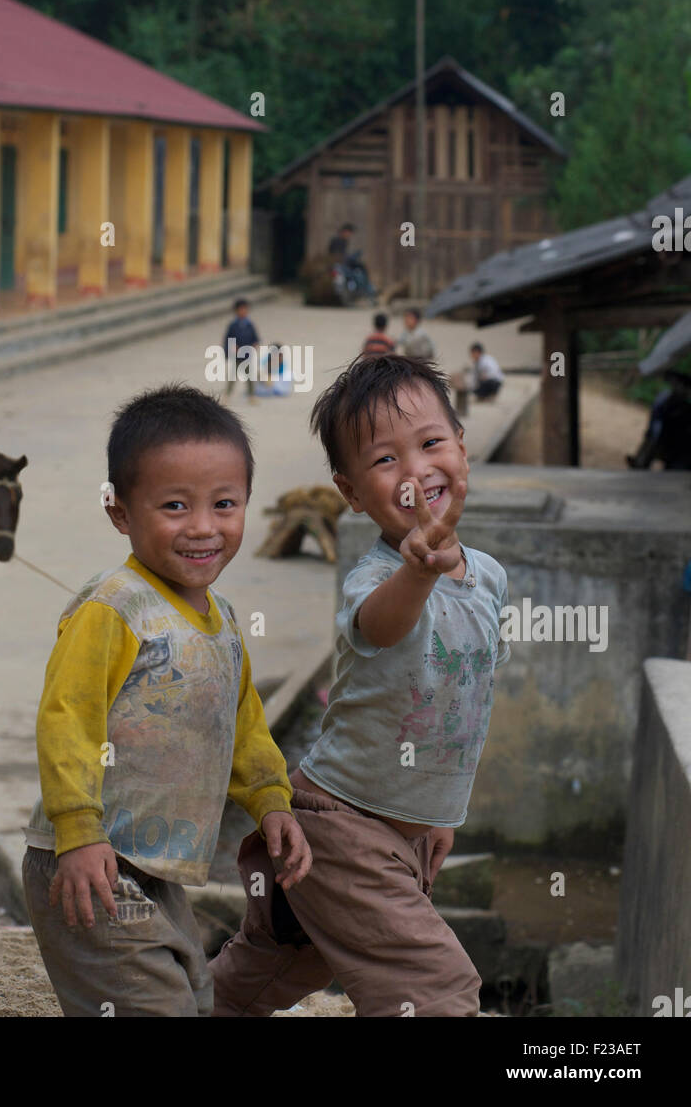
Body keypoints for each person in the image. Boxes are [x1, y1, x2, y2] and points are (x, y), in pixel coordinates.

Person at [210, 353, 510, 1017]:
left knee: (276, 966)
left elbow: (466, 699)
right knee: (436, 990)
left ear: (461, 448)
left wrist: (438, 820)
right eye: (384, 461)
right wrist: (421, 569)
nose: (413, 472)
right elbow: (382, 627)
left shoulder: (488, 576)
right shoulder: (377, 580)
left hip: (400, 833)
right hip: (340, 826)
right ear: (350, 493)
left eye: (431, 443)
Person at [22, 384, 311, 1017]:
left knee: (192, 998)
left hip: (160, 867)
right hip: (90, 860)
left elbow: (242, 724)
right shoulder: (114, 607)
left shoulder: (224, 619)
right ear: (121, 513)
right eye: (175, 506)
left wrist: (270, 801)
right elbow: (67, 718)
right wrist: (77, 830)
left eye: (224, 504)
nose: (204, 527)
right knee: (147, 1005)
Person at [626, 369, 691, 470]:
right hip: (664, 438)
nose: (675, 386)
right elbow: (657, 419)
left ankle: (641, 461)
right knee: (652, 438)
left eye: (678, 384)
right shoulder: (666, 399)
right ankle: (641, 461)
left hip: (678, 443)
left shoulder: (684, 406)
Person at [223, 298, 260, 399]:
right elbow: (228, 339)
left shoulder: (250, 325)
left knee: (250, 377)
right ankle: (227, 395)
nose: (243, 311)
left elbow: (255, 338)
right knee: (232, 376)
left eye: (245, 309)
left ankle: (252, 395)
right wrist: (231, 348)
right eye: (241, 309)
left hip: (247, 355)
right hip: (237, 356)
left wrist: (254, 345)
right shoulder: (233, 325)